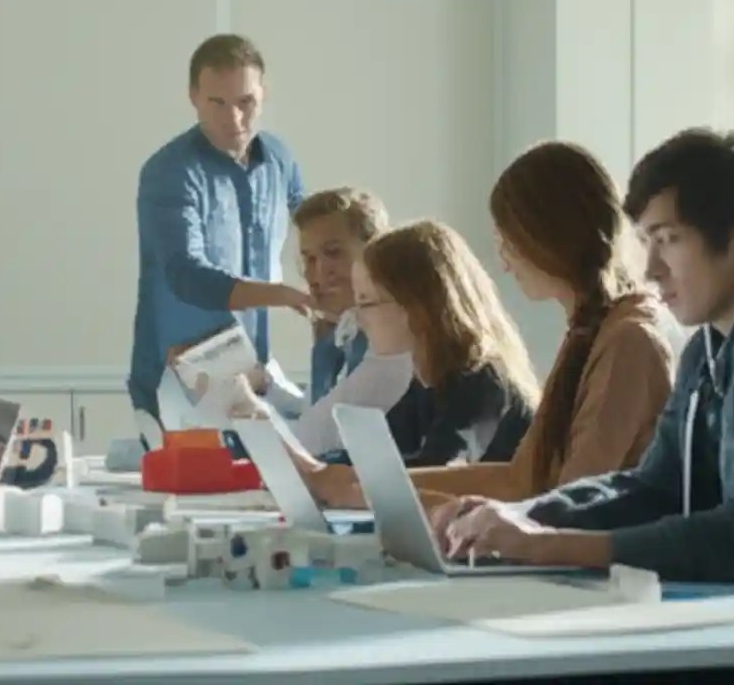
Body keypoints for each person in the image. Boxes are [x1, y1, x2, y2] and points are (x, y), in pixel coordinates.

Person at [440, 128, 734, 627]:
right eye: (646, 242)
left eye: (669, 240)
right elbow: (657, 486)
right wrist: (526, 516)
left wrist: (550, 546)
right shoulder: (714, 341)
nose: (651, 269)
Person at [405, 142, 676, 503]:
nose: (504, 263)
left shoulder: (627, 340)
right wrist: (379, 491)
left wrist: (435, 507)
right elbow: (523, 477)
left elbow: (572, 499)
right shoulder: (589, 329)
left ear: (546, 235)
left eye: (508, 243)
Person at [129, 33, 313, 423]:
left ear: (263, 94)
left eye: (246, 102)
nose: (234, 118)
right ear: (193, 96)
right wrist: (281, 294)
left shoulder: (280, 158)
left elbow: (316, 229)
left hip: (252, 377)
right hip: (179, 384)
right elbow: (186, 274)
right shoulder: (170, 172)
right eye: (218, 102)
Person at [288, 220, 540, 503]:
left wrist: (342, 484)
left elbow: (437, 469)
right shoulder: (424, 379)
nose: (359, 319)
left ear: (417, 307)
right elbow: (386, 456)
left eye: (366, 303)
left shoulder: (483, 380)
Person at [294, 187, 389, 403]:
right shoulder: (335, 335)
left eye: (333, 253)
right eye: (309, 259)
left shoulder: (391, 340)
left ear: (375, 251)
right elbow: (313, 413)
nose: (319, 272)